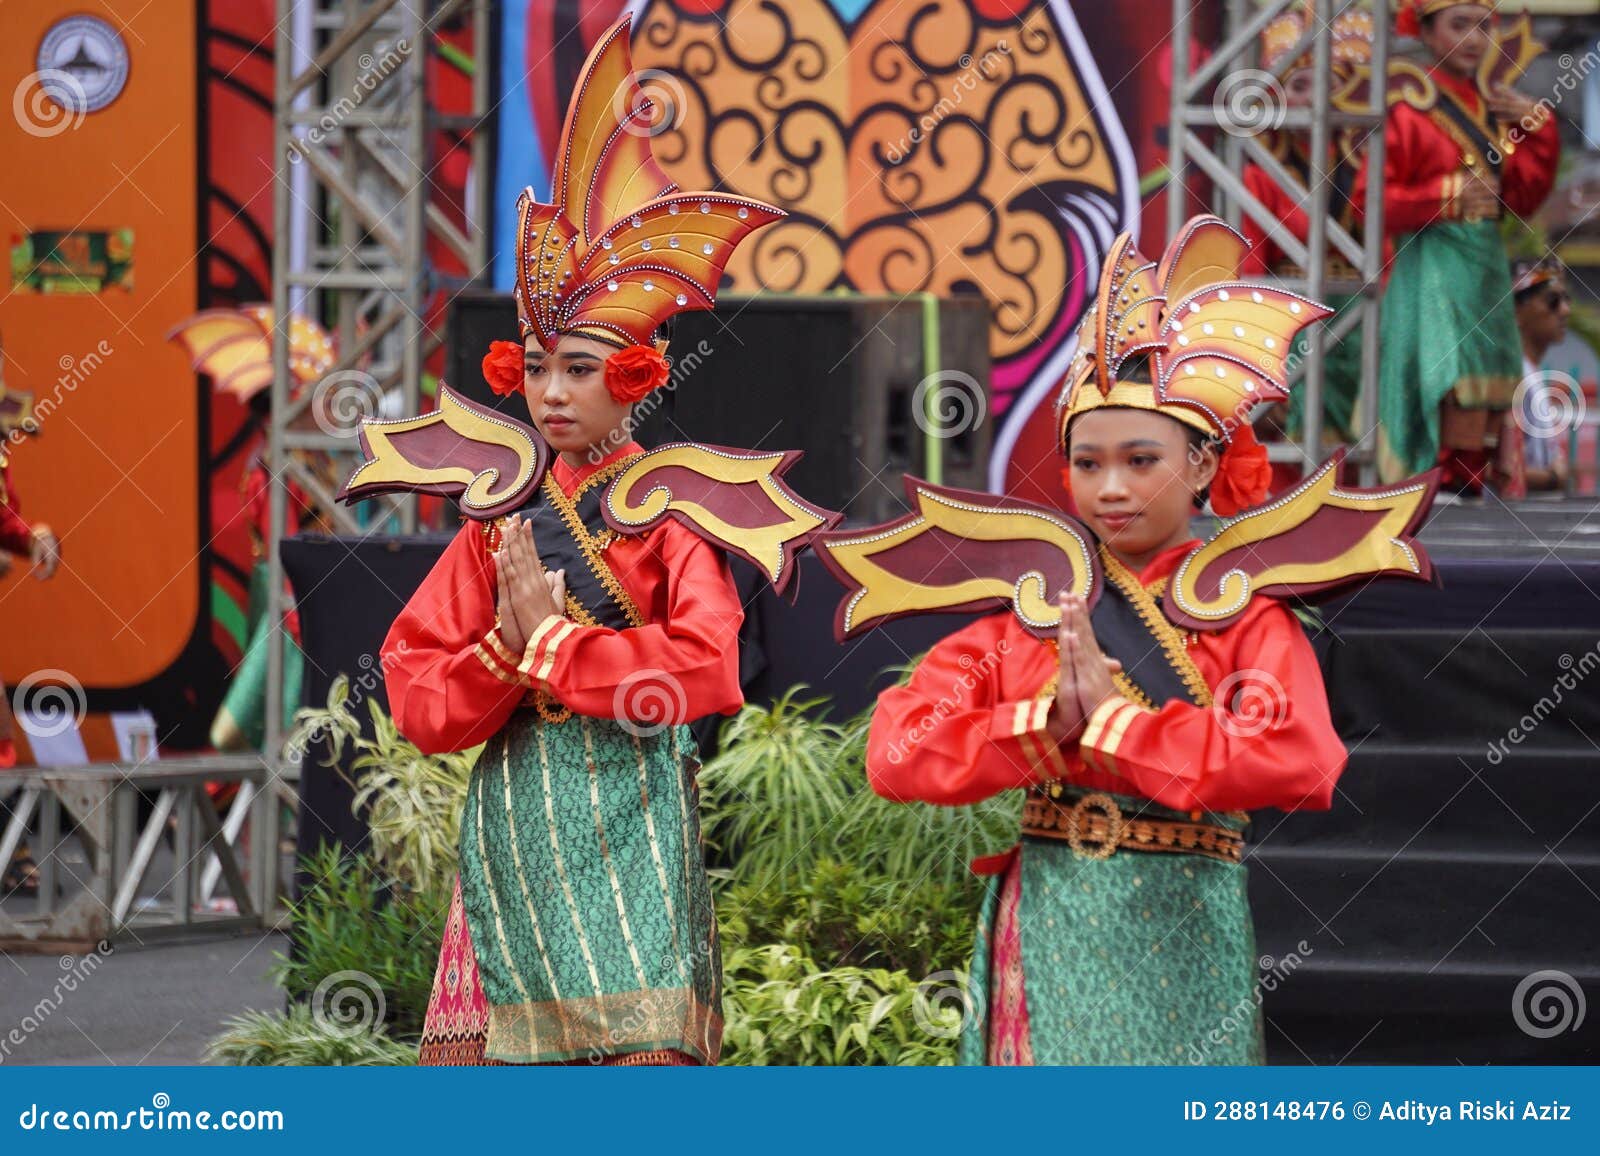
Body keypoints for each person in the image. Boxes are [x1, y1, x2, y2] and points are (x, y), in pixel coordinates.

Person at [852, 217, 1440, 1064]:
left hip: (1184, 922)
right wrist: (1041, 725)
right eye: (1087, 464)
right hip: (1053, 916)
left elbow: (1302, 760)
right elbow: (896, 752)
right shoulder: (1033, 614)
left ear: (1202, 466)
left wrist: (1121, 730)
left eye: (1140, 459)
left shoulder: (1242, 615)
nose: (1111, 488)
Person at [369, 19, 794, 1066]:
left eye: (581, 369)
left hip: (631, 816)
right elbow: (415, 681)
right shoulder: (501, 513)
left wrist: (560, 649)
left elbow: (706, 667)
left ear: (640, 377)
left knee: (641, 1068)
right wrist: (506, 657)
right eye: (541, 367)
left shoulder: (669, 512)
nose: (554, 392)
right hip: (518, 811)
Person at [1356, 0, 1559, 490]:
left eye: (1483, 27)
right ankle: (1436, 489)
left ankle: (1470, 490)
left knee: (1487, 380)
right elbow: (1369, 200)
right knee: (1445, 376)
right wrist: (1446, 195)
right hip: (1434, 267)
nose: (1473, 40)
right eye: (1459, 25)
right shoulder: (1409, 111)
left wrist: (1539, 130)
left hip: (1484, 267)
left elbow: (1521, 198)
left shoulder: (1494, 109)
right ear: (1426, 32)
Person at [1241, 1, 1376, 447]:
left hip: (1358, 317)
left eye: (1325, 86)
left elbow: (1387, 256)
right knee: (1296, 441)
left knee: (1358, 439)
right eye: (1299, 86)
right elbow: (1250, 271)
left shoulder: (1366, 168)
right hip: (1292, 319)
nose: (1312, 101)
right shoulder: (1259, 175)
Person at [1509, 256, 1572, 494]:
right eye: (1552, 301)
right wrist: (1553, 478)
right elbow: (1491, 469)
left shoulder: (1530, 374)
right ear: (1516, 311)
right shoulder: (1512, 375)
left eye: (1566, 299)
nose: (1565, 310)